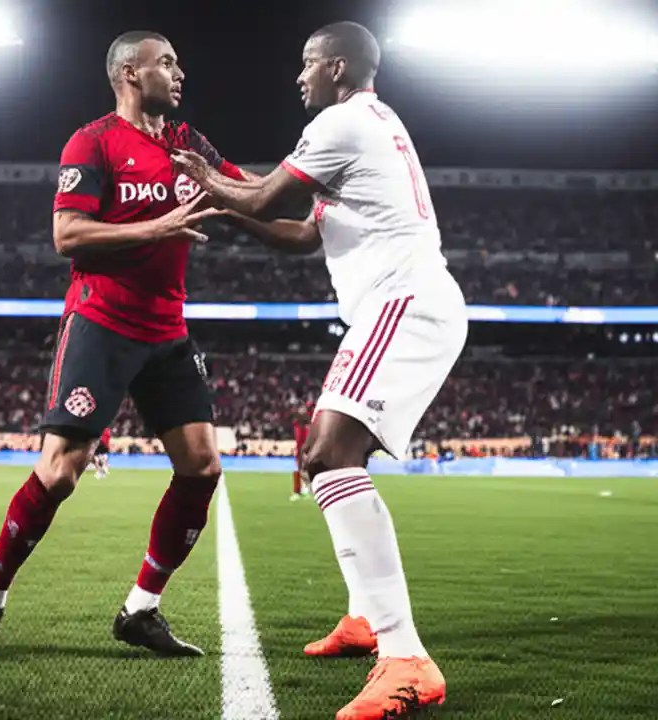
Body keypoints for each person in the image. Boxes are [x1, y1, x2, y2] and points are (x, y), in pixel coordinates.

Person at [173, 20, 459, 719]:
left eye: (306, 63)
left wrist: (205, 178)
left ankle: (405, 656)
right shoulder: (369, 124)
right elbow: (303, 234)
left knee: (329, 454)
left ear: (336, 67)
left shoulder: (340, 122)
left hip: (404, 301)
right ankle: (366, 619)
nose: (298, 76)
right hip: (393, 304)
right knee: (325, 454)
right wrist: (227, 202)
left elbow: (268, 196)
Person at [0, 30, 250, 666]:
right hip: (101, 321)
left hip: (167, 330)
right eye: (165, 62)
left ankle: (141, 610)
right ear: (129, 74)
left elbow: (249, 193)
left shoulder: (189, 145)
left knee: (202, 467)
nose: (179, 72)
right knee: (60, 472)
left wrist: (313, 196)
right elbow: (67, 233)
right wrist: (161, 225)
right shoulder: (92, 142)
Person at [291, 403, 312, 500]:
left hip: (307, 450)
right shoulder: (297, 424)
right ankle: (297, 491)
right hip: (299, 450)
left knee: (306, 470)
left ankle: (306, 489)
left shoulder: (309, 424)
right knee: (298, 470)